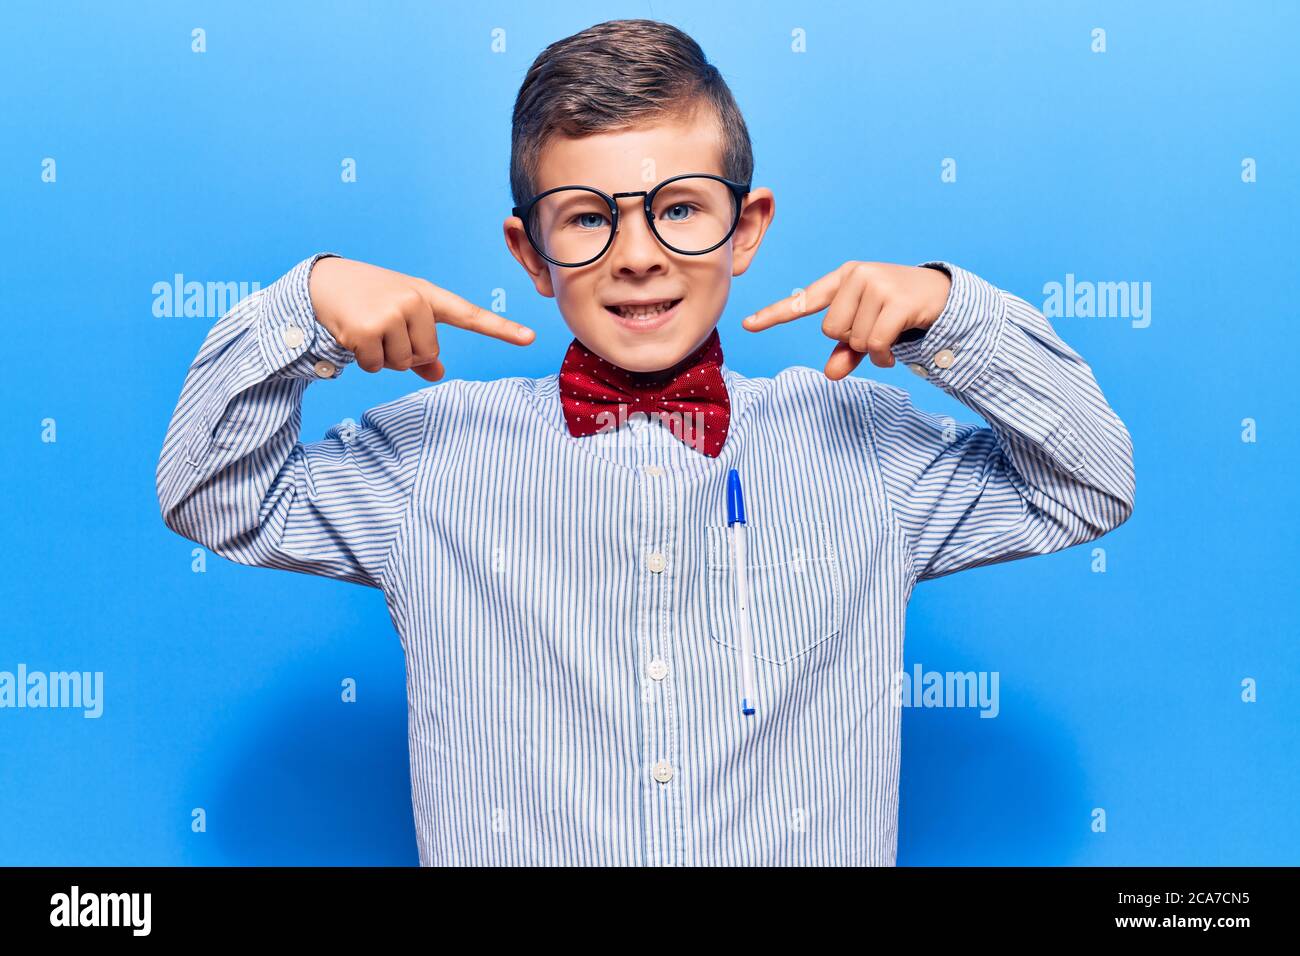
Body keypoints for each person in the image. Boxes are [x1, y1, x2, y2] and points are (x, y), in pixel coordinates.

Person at [155, 18, 1135, 866]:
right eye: (584, 218)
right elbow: (212, 495)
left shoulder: (861, 442)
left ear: (745, 228)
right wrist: (304, 309)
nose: (636, 254)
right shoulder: (433, 456)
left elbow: (1087, 483)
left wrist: (949, 313)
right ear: (527, 253)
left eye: (679, 208)